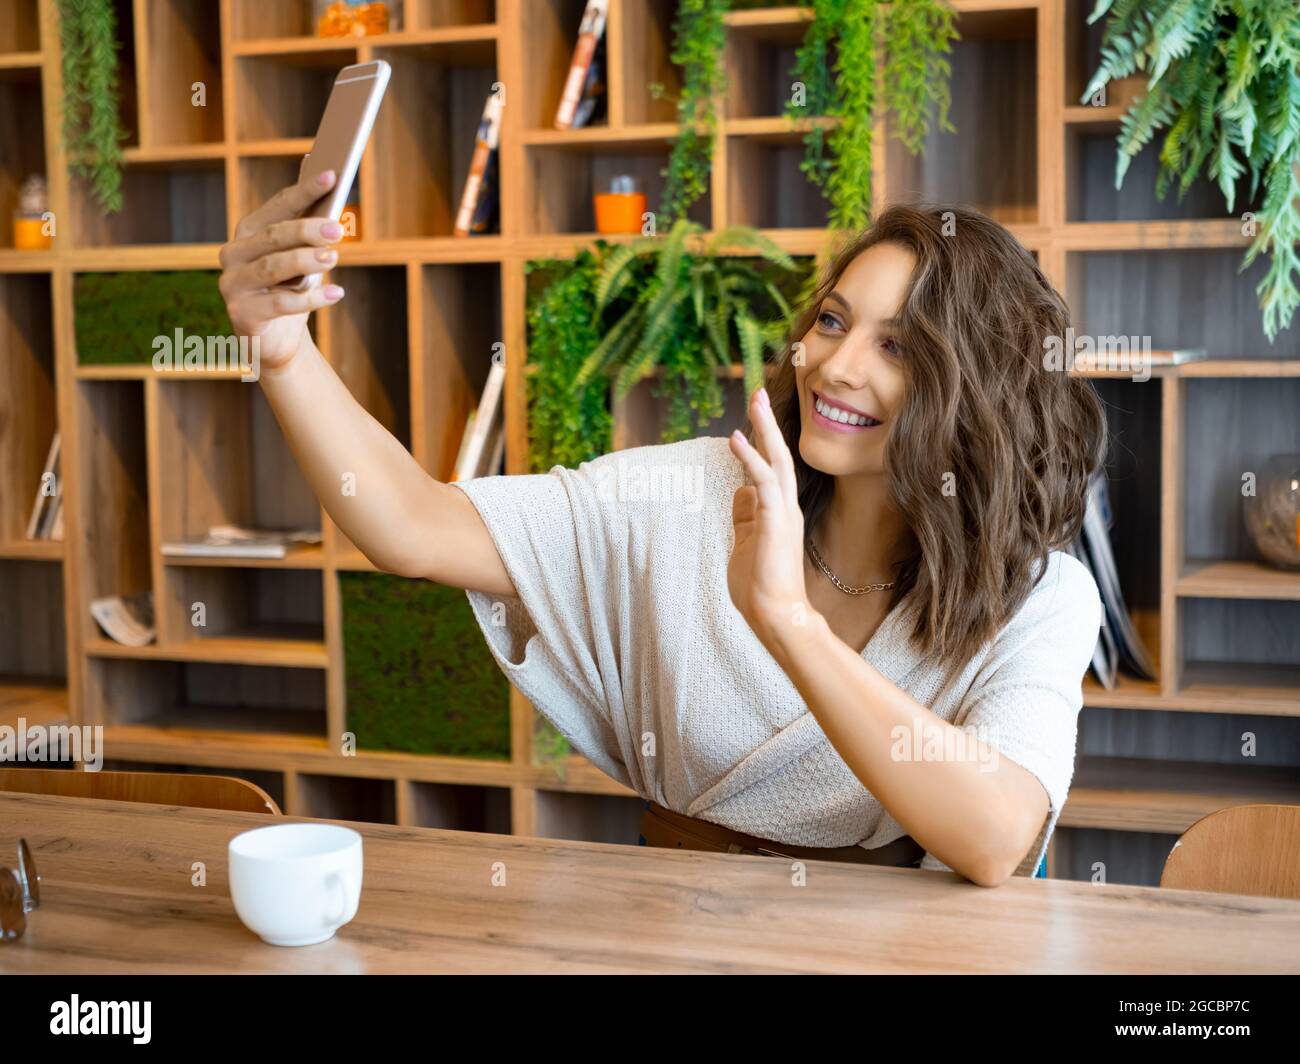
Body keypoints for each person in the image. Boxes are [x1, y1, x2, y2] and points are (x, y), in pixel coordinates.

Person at [218, 173, 1104, 886]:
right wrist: (284, 350)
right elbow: (412, 526)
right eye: (832, 321)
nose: (836, 364)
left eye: (898, 346)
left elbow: (995, 840)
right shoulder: (693, 493)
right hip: (666, 923)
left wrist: (786, 621)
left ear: (979, 387)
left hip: (889, 950)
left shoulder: (1041, 595)